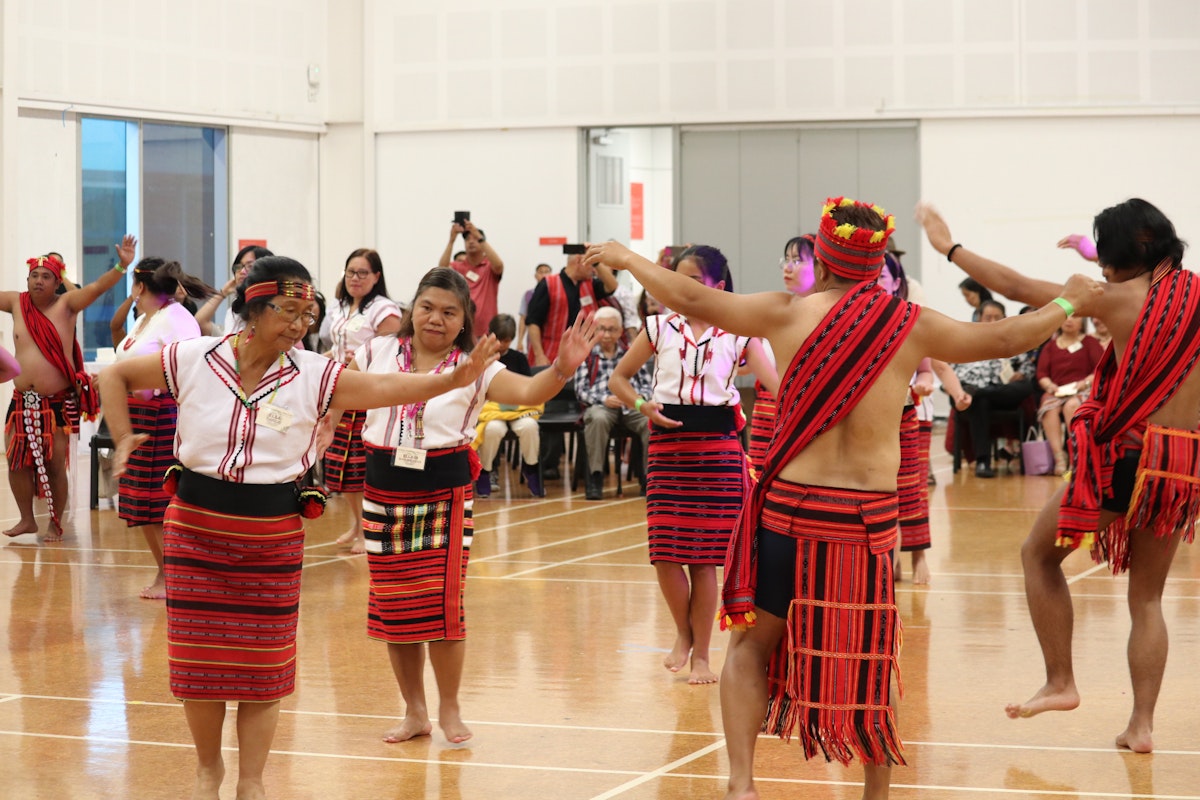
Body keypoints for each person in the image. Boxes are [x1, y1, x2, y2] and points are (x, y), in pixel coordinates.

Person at [587, 196, 1101, 800]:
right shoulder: (910, 323)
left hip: (790, 514)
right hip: (863, 520)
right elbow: (1005, 336)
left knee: (752, 644)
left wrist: (626, 256)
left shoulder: (785, 313)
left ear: (823, 261)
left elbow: (694, 298)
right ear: (876, 263)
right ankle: (874, 796)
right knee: (873, 658)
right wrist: (1071, 299)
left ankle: (742, 785)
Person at [98, 256, 499, 800]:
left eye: (306, 313)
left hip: (272, 536)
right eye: (286, 311)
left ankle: (253, 781)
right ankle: (207, 770)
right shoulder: (193, 358)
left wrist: (454, 378)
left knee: (264, 669)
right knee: (200, 665)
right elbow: (114, 374)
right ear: (252, 311)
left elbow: (387, 389)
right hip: (194, 531)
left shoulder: (315, 374)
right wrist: (122, 436)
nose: (298, 324)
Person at [919, 198, 1200, 754]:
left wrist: (947, 247)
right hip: (1184, 463)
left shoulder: (1120, 299)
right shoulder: (1192, 295)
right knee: (1147, 600)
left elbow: (1017, 285)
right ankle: (1141, 726)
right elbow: (1145, 272)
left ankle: (1061, 680)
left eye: (1105, 259)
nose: (1100, 271)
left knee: (1037, 555)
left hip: (1130, 457)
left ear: (1124, 257)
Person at [349, 267, 597, 745]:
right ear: (411, 309)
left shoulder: (478, 365)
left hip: (444, 495)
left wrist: (561, 368)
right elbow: (338, 389)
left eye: (449, 312)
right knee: (395, 609)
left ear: (465, 320)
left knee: (443, 609)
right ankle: (414, 711)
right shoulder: (375, 351)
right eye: (427, 307)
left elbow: (529, 392)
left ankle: (449, 708)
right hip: (382, 493)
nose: (435, 319)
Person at [608, 244, 777, 686]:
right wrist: (643, 406)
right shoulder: (658, 328)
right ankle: (682, 633)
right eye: (676, 279)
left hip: (718, 449)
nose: (681, 288)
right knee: (665, 555)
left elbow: (778, 384)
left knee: (704, 561)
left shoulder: (741, 332)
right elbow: (618, 378)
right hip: (667, 446)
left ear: (718, 288)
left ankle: (701, 654)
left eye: (694, 281)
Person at [1, 237, 136, 540]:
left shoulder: (67, 305)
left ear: (56, 282)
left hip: (56, 403)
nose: (39, 281)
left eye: (46, 276)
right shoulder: (15, 302)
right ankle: (27, 519)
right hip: (21, 400)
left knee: (53, 464)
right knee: (15, 460)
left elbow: (98, 288)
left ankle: (54, 522)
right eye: (34, 276)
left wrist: (121, 265)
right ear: (27, 280)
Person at [109, 258, 212, 599]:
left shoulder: (177, 318)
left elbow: (190, 366)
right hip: (137, 413)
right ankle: (164, 569)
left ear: (138, 286)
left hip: (163, 415)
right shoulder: (143, 319)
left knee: (159, 501)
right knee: (141, 504)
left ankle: (175, 573)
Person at [322, 248, 403, 553]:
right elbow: (339, 346)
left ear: (376, 277)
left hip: (367, 394)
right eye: (350, 272)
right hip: (342, 387)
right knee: (340, 468)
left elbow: (394, 352)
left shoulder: (384, 310)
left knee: (359, 467)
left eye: (362, 273)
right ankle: (357, 525)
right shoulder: (341, 306)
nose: (355, 279)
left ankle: (368, 528)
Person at [952, 300, 1039, 477]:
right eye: (988, 317)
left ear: (1005, 319)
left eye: (997, 318)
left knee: (1025, 386)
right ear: (979, 319)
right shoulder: (966, 341)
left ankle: (982, 393)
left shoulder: (1014, 343)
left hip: (1003, 394)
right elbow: (952, 372)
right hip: (969, 397)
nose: (992, 322)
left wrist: (1021, 373)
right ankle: (983, 461)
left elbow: (1028, 369)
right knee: (980, 400)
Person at [574, 306, 652, 500]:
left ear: (620, 331)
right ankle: (595, 477)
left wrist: (635, 400)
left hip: (631, 405)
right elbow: (580, 390)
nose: (607, 334)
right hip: (602, 405)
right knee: (597, 417)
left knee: (650, 420)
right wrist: (604, 399)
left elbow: (647, 386)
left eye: (612, 329)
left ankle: (649, 478)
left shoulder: (631, 353)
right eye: (602, 329)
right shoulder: (587, 355)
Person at [473, 313, 544, 498]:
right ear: (490, 335)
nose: (503, 344)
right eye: (500, 339)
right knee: (492, 430)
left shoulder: (519, 358)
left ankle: (531, 467)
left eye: (507, 341)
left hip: (517, 409)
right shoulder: (482, 357)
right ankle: (485, 471)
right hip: (493, 411)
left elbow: (529, 386)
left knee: (529, 426)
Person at [1036, 315, 1103, 475]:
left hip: (1083, 389)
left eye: (1075, 317)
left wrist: (1085, 383)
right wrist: (1050, 386)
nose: (1069, 320)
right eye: (1066, 317)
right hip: (1057, 391)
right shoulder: (1050, 346)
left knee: (1071, 406)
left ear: (1082, 322)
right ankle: (1059, 457)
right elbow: (1041, 374)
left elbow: (1100, 369)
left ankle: (1077, 458)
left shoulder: (1090, 343)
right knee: (1048, 408)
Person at [438, 218, 505, 337]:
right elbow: (442, 269)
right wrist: (451, 241)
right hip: (462, 330)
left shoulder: (489, 266)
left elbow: (499, 265)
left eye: (475, 239)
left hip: (487, 331)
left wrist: (477, 234)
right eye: (467, 239)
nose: (471, 242)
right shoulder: (458, 266)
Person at [194, 245, 273, 337]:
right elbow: (200, 322)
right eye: (239, 267)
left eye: (250, 266)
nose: (242, 271)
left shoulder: (271, 309)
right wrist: (223, 292)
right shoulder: (234, 311)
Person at [517, 263, 553, 351]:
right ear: (535, 275)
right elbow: (523, 318)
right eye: (541, 272)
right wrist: (519, 341)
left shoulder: (556, 293)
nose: (544, 275)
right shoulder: (528, 295)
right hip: (533, 338)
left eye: (547, 272)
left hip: (552, 337)